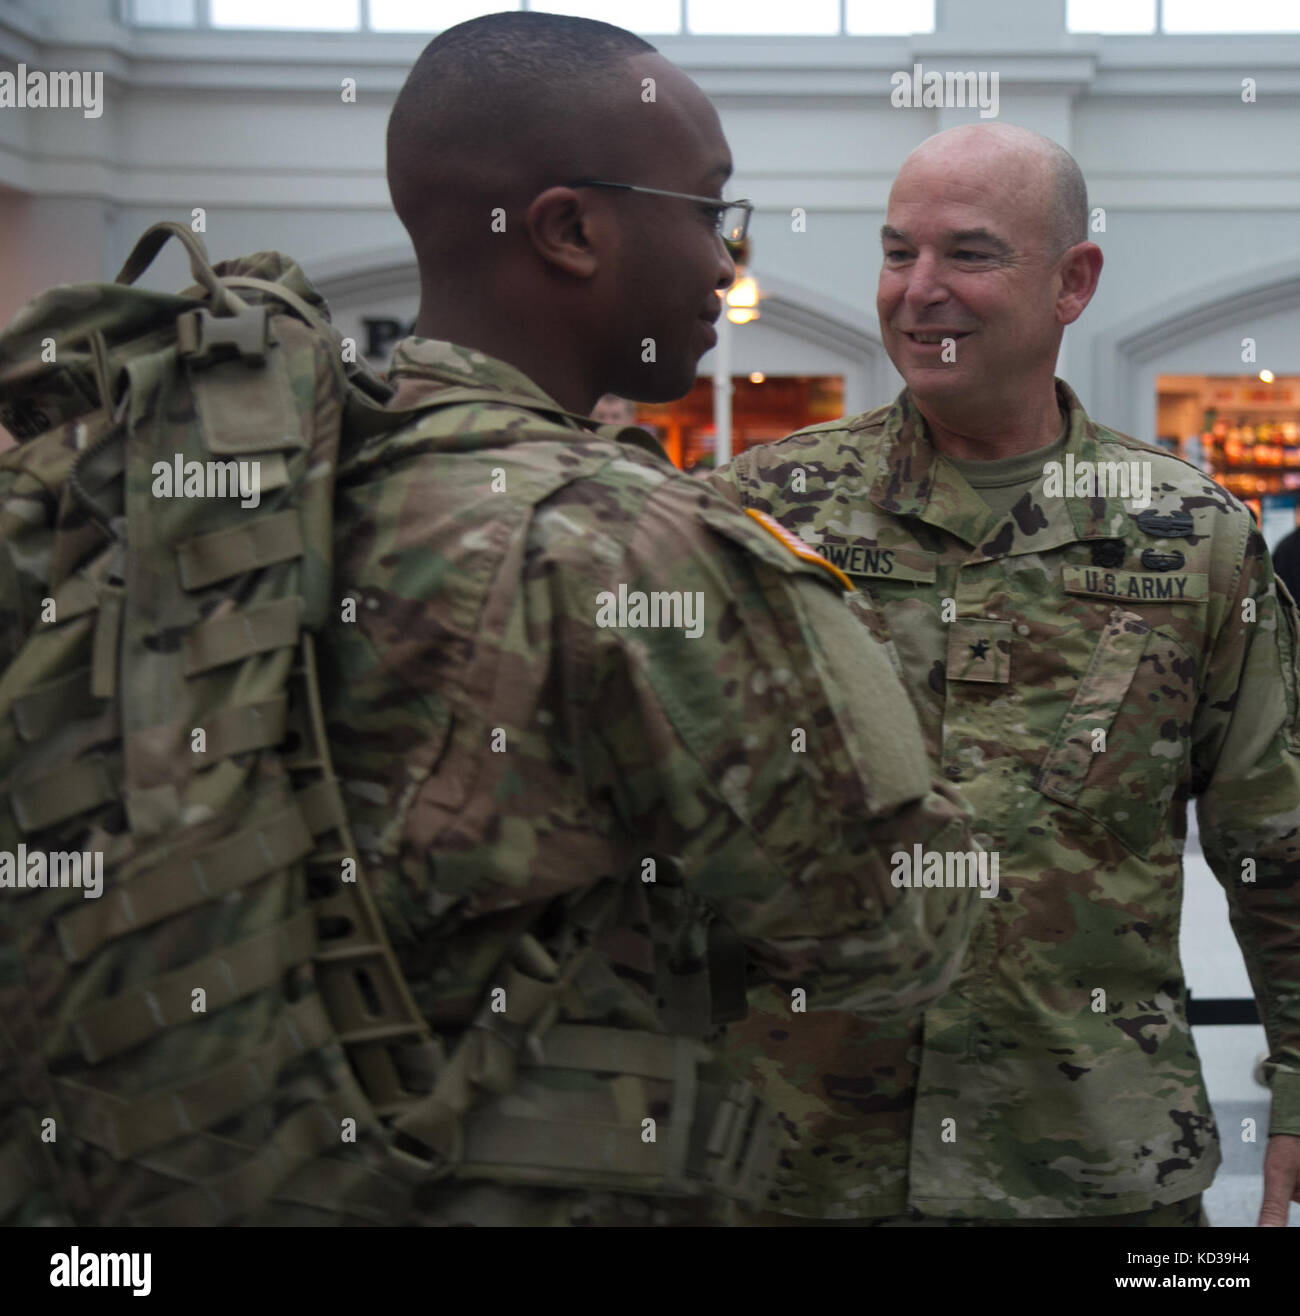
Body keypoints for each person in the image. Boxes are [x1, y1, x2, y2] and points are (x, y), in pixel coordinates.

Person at [315, 12, 979, 1226]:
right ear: (570, 229)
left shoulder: (279, 488)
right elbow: (893, 930)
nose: (725, 264)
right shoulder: (630, 539)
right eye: (706, 209)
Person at [710, 122, 1300, 1227]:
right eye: (897, 253)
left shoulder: (1191, 537)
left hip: (1096, 1167)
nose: (919, 290)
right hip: (802, 1161)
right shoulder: (764, 512)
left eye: (967, 254)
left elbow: (1276, 840)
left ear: (1073, 281)